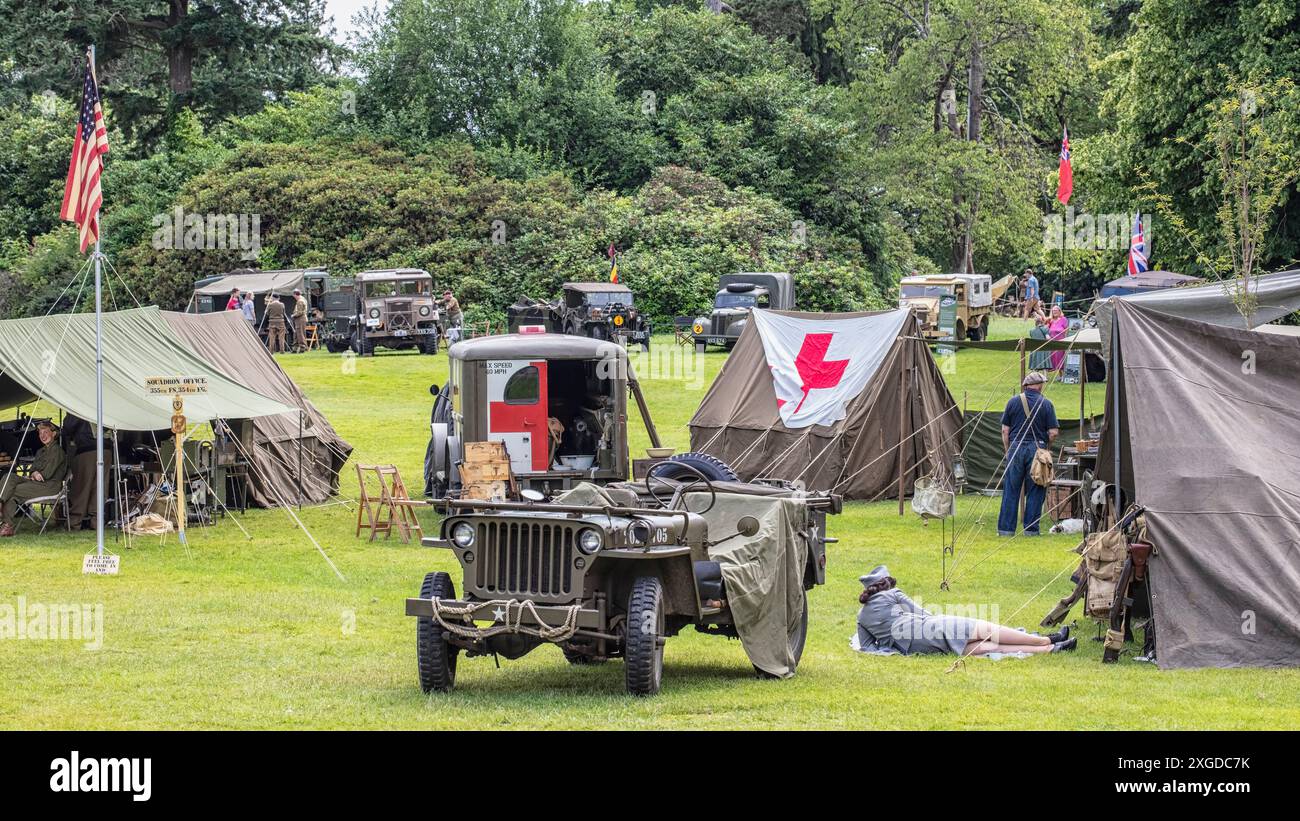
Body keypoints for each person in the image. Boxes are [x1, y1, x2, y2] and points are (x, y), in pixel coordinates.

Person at [855, 565, 1076, 655]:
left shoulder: (862, 616)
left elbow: (867, 647)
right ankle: (1046, 640)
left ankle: (1051, 649)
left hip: (918, 647)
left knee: (991, 648)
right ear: (886, 583)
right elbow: (923, 614)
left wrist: (891, 645)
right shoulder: (893, 594)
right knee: (991, 631)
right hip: (931, 628)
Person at [998, 371, 1060, 536]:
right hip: (1037, 449)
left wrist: (1008, 450)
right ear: (1039, 386)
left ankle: (1005, 530)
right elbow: (1053, 432)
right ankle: (1031, 530)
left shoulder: (1012, 401)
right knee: (1036, 488)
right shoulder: (1046, 404)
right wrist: (1046, 448)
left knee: (1011, 490)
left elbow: (1005, 430)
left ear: (1026, 386)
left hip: (1016, 447)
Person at [0, 421, 68, 537]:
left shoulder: (57, 451)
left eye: (46, 432)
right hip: (35, 482)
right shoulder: (40, 451)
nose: (42, 436)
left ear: (54, 434)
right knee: (8, 477)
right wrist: (34, 473)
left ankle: (7, 526)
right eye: (40, 433)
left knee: (13, 491)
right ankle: (1, 504)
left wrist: (35, 473)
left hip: (49, 487)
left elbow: (46, 474)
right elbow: (32, 470)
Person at [61, 414, 108, 530]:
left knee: (81, 487)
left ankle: (74, 522)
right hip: (106, 448)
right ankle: (96, 522)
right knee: (100, 487)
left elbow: (68, 426)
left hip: (87, 448)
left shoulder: (78, 403)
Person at [1047, 304, 1070, 372]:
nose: (1054, 312)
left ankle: (1062, 374)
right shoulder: (1050, 320)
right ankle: (1056, 372)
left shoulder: (1063, 319)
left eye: (1056, 310)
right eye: (1053, 311)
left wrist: (1065, 339)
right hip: (1052, 342)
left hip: (1061, 342)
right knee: (1053, 357)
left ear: (1059, 311)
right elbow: (1046, 329)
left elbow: (1067, 329)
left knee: (1060, 357)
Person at [291, 288, 309, 352]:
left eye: (294, 295)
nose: (294, 297)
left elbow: (300, 312)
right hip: (301, 318)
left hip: (300, 319)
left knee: (300, 333)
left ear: (296, 294)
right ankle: (295, 348)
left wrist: (293, 315)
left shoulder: (300, 301)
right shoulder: (303, 299)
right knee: (297, 333)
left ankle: (302, 348)